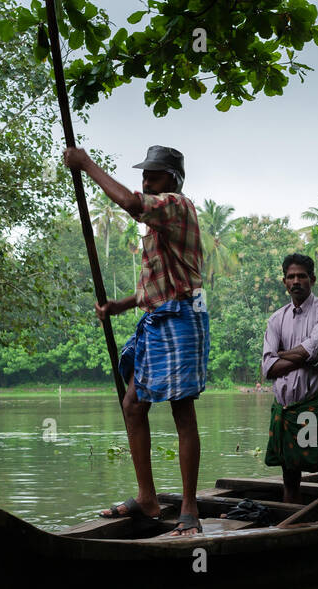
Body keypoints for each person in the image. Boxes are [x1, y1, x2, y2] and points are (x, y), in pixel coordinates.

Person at [63, 144, 208, 536]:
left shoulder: (176, 205)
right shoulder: (158, 224)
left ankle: (190, 508)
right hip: (157, 318)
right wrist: (120, 305)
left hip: (182, 317)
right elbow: (157, 285)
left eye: (154, 175)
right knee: (132, 404)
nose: (146, 181)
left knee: (181, 409)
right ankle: (148, 498)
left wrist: (85, 163)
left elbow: (129, 202)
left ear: (173, 180)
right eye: (144, 175)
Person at [261, 253, 318, 511]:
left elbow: (311, 347)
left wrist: (284, 353)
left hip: (313, 405)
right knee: (290, 477)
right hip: (284, 408)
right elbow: (268, 367)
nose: (296, 281)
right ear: (284, 282)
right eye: (291, 276)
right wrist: (308, 355)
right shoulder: (276, 318)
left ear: (312, 279)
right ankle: (295, 529)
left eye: (301, 276)